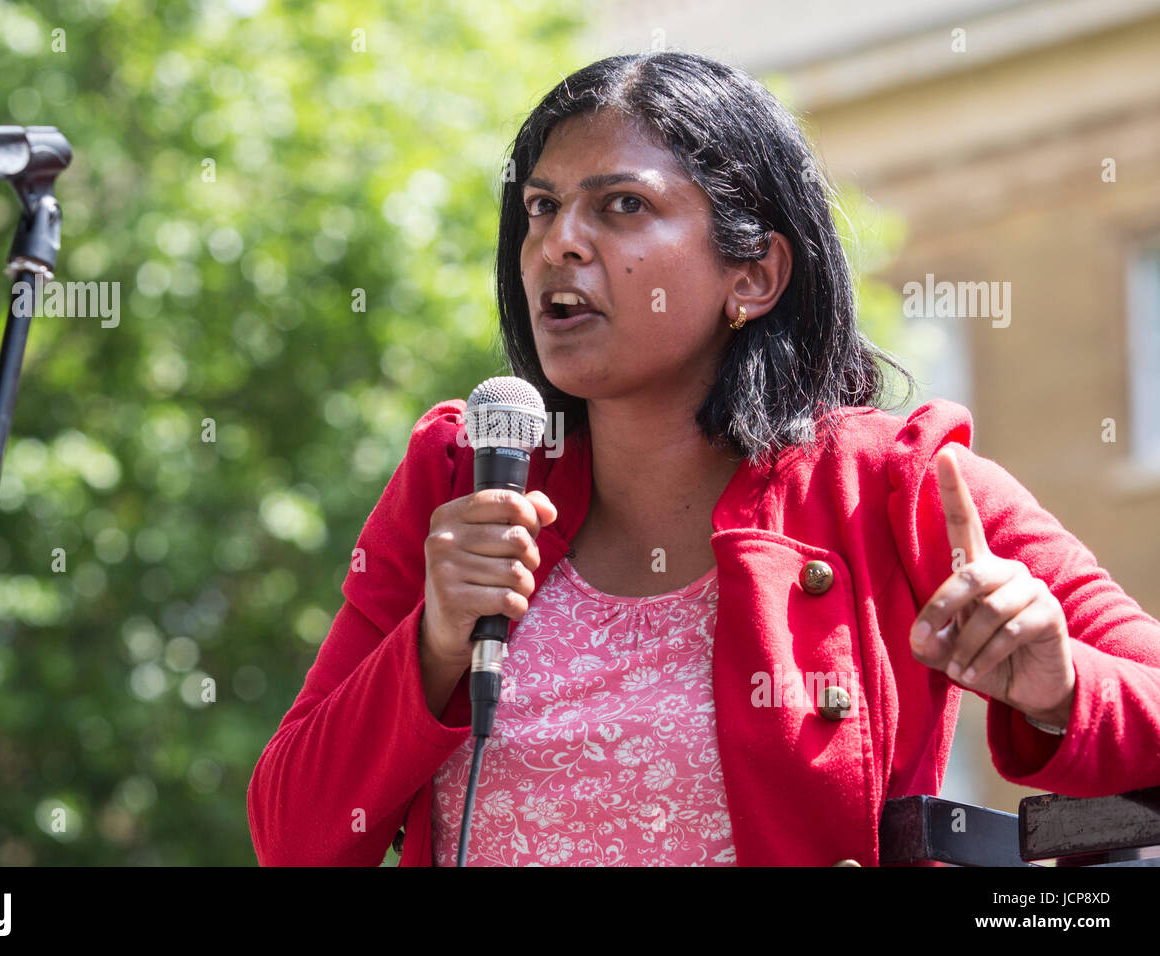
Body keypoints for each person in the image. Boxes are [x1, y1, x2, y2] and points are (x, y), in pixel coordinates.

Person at [247, 51, 1160, 866]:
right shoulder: (466, 474)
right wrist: (435, 642)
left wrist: (1060, 688)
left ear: (753, 276)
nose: (557, 242)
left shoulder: (897, 486)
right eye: (541, 207)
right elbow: (293, 835)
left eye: (623, 205)